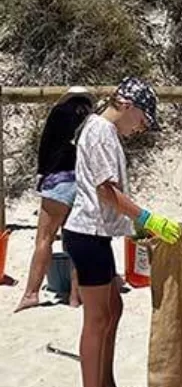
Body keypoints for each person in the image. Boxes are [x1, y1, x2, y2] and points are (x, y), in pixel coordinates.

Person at [62, 77, 182, 387]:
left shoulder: (104, 130)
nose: (140, 129)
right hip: (87, 234)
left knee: (114, 308)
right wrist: (146, 219)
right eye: (142, 121)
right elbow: (106, 192)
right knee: (97, 319)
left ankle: (106, 380)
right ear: (127, 106)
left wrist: (135, 228)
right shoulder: (101, 131)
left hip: (96, 234)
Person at [15, 87, 95, 313]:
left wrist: (41, 176)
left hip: (58, 181)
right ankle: (75, 296)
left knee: (44, 239)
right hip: (80, 180)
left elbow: (45, 150)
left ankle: (31, 294)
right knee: (75, 240)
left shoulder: (58, 114)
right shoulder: (90, 120)